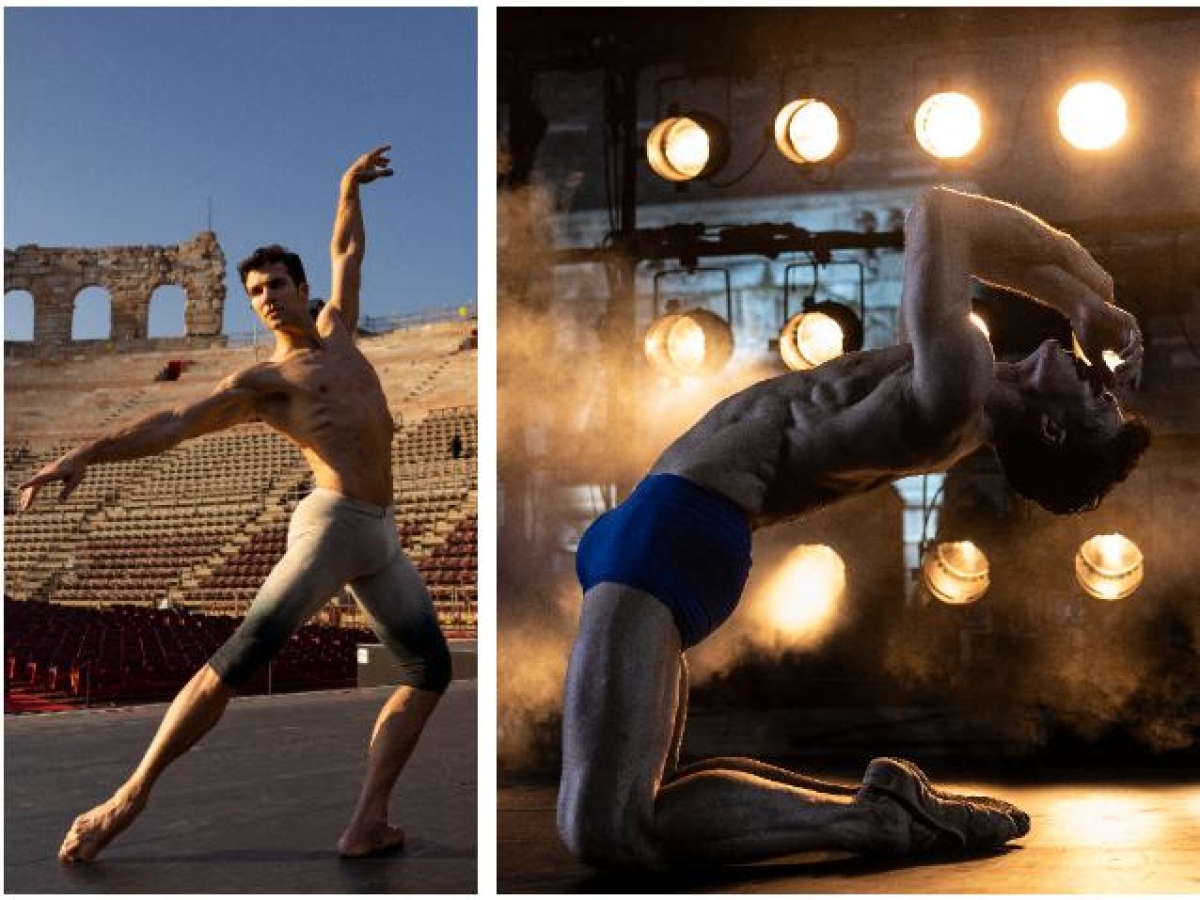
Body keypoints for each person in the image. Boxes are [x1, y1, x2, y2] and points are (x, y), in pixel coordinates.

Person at [559, 187, 1151, 870]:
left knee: (607, 827)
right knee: (637, 796)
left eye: (1099, 405)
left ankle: (877, 820)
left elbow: (940, 213)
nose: (1100, 380)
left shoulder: (956, 385)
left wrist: (1081, 285)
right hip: (657, 519)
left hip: (677, 529)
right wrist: (1085, 294)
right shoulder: (959, 374)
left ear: (1051, 429)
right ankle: (883, 810)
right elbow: (964, 243)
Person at [20, 145, 453, 863]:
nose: (266, 297)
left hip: (382, 533)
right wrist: (87, 454)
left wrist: (348, 186)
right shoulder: (266, 381)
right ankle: (127, 797)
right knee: (242, 656)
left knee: (430, 671)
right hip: (334, 525)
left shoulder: (340, 331)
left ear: (302, 287)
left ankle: (368, 821)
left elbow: (346, 249)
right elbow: (174, 422)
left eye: (276, 283)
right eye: (254, 291)